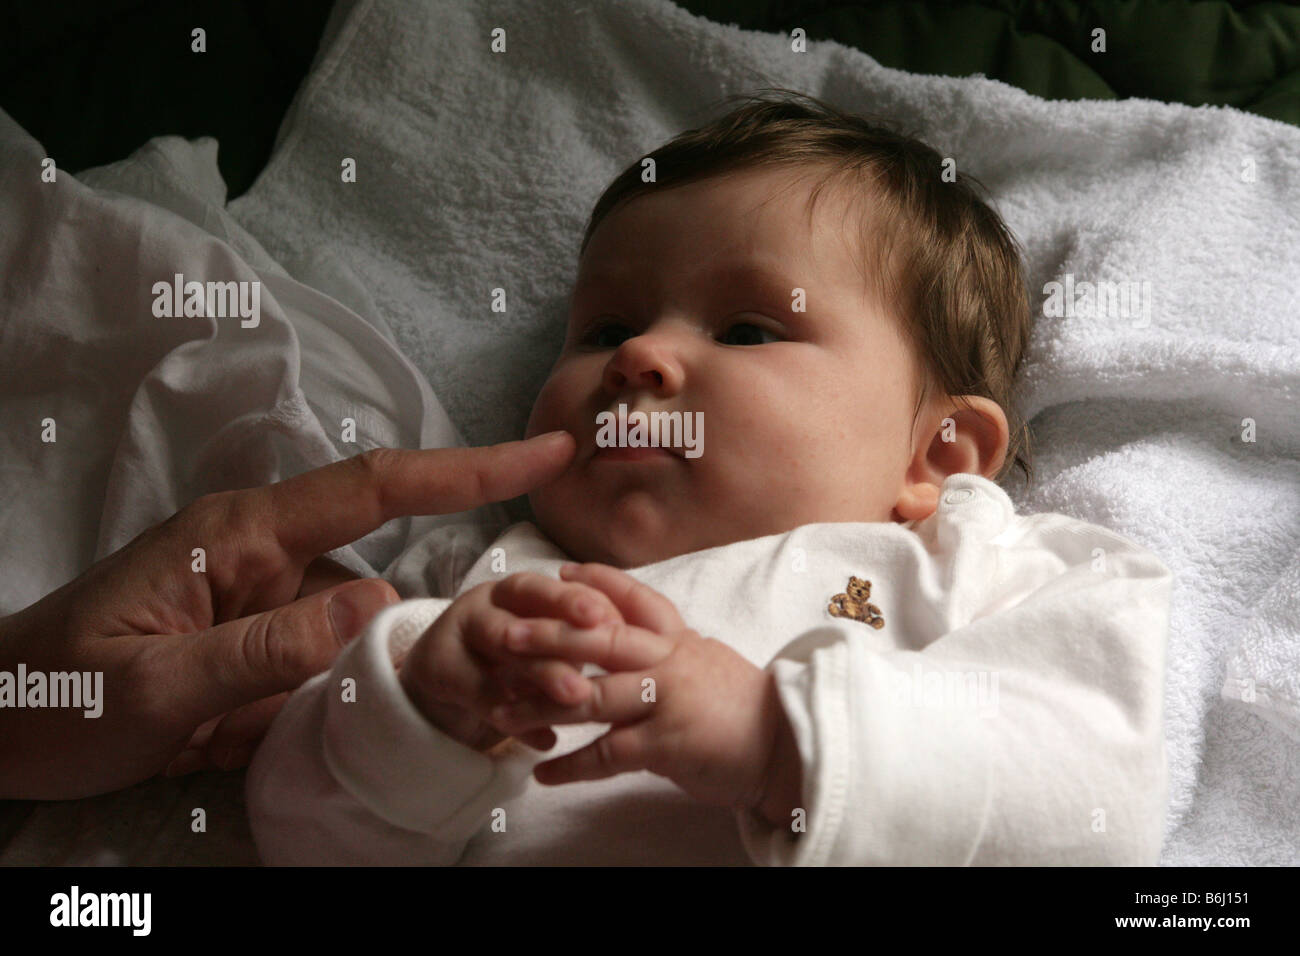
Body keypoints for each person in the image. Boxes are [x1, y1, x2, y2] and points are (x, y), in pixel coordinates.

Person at [245, 92, 1173, 865]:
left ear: (934, 455)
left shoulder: (984, 566)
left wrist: (780, 742)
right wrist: (420, 716)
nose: (640, 354)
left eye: (746, 331)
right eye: (606, 330)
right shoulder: (476, 584)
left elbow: (1095, 802)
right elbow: (292, 830)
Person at [0, 433, 577, 800]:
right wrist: (406, 718)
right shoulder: (469, 568)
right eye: (607, 332)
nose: (637, 355)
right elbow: (313, 824)